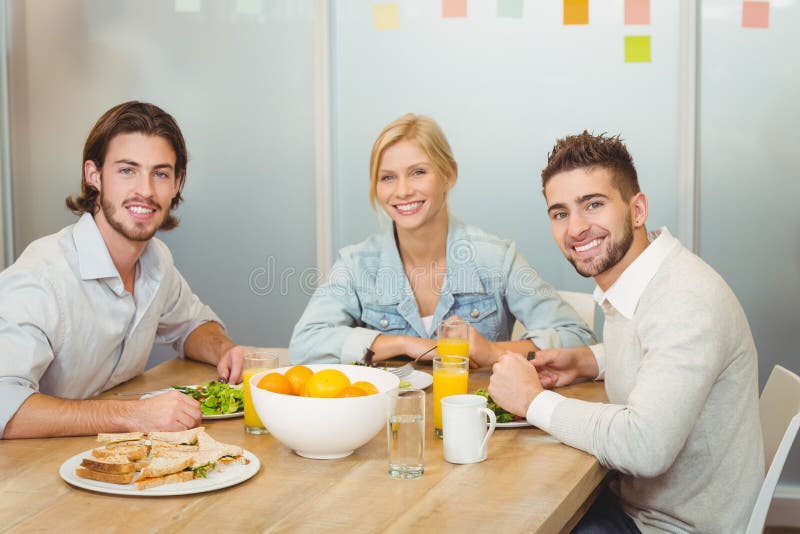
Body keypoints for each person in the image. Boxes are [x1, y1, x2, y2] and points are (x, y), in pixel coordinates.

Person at [488, 131, 763, 532]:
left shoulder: (685, 300)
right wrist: (589, 361)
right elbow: (657, 347)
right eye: (560, 213)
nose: (576, 228)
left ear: (637, 210)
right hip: (638, 505)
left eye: (593, 205)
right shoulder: (649, 279)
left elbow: (644, 446)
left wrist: (532, 401)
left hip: (670, 526)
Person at [0, 101, 248, 439]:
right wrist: (133, 415)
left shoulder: (156, 260)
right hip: (30, 466)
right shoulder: (42, 277)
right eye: (127, 170)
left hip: (107, 455)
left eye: (160, 174)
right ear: (94, 175)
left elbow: (191, 325)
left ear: (176, 184)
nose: (145, 190)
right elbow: (4, 402)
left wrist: (224, 351)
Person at [289, 114, 594, 366]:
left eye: (418, 172)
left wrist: (491, 351)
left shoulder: (495, 258)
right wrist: (404, 344)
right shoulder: (357, 264)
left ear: (448, 175)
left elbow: (577, 337)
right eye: (388, 177)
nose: (403, 191)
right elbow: (304, 344)